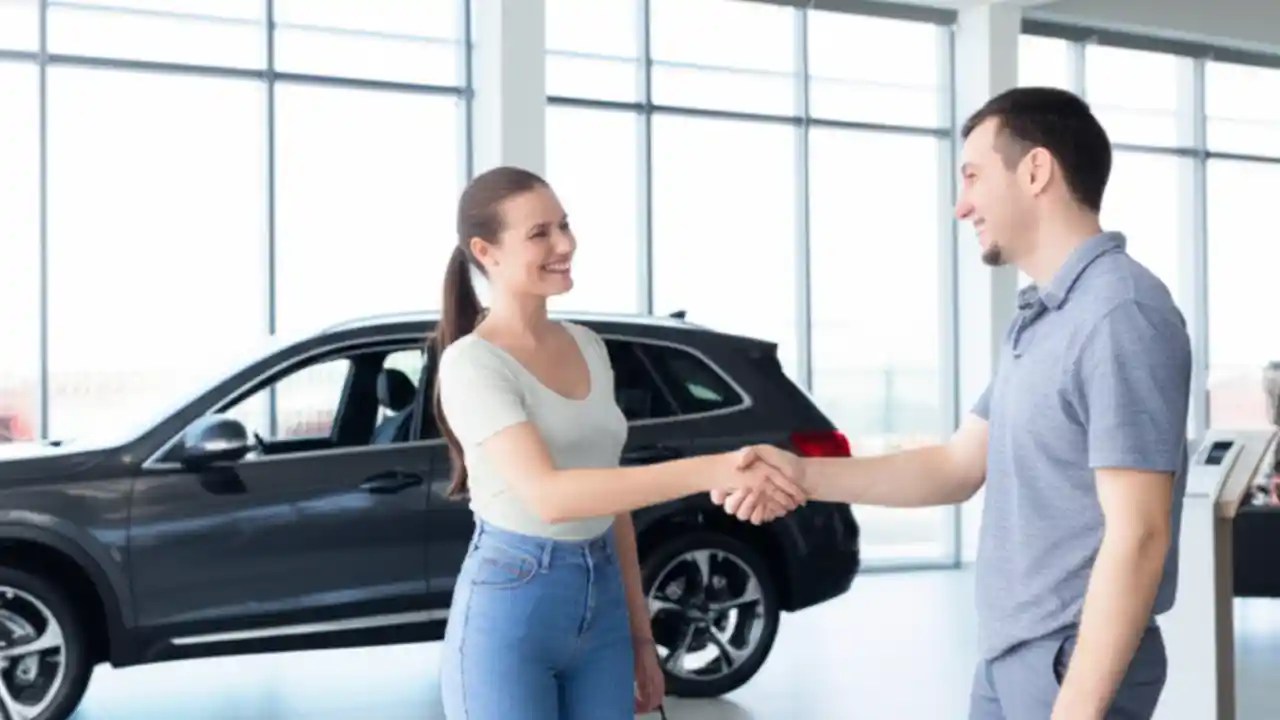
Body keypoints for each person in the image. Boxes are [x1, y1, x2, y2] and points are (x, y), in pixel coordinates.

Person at [721, 87, 1192, 719]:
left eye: (973, 176)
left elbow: (1140, 533)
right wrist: (803, 475)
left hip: (1072, 666)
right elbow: (957, 465)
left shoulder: (1118, 314)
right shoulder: (1043, 318)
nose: (961, 204)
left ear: (1035, 170)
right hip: (1013, 657)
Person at [432, 165, 807, 720]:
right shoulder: (473, 363)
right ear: (486, 252)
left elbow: (612, 503)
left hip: (604, 598)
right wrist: (713, 470)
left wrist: (639, 635)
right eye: (540, 234)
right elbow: (551, 497)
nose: (565, 244)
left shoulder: (587, 347)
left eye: (564, 225)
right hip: (513, 604)